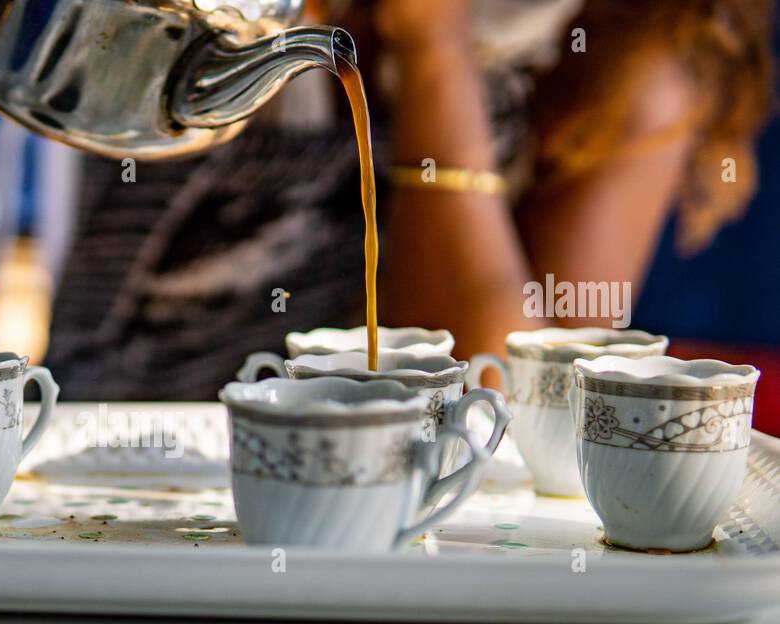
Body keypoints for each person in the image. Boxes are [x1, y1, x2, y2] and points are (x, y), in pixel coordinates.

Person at [42, 0, 775, 400]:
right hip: (117, 455)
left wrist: (434, 51)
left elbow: (519, 394)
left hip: (406, 508)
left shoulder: (638, 45)